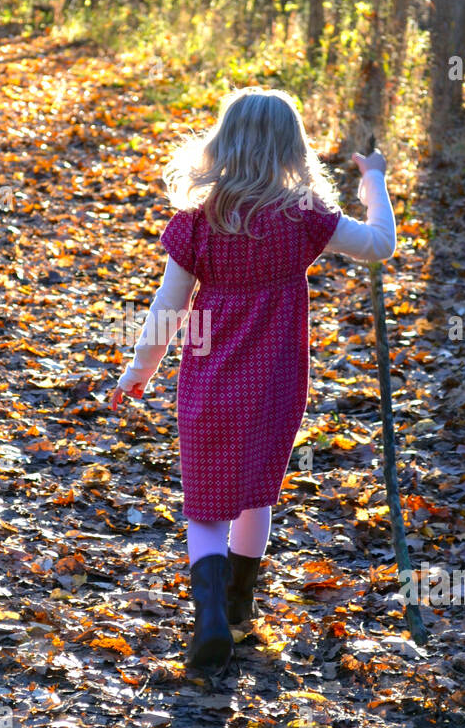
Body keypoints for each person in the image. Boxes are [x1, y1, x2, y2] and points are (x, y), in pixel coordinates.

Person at [110, 87, 396, 671]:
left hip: (209, 382)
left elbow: (169, 306)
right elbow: (379, 246)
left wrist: (140, 370)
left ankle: (210, 617)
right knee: (255, 491)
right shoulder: (305, 218)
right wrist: (374, 181)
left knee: (206, 503)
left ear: (223, 144)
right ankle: (240, 610)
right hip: (275, 382)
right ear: (292, 149)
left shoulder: (197, 221)